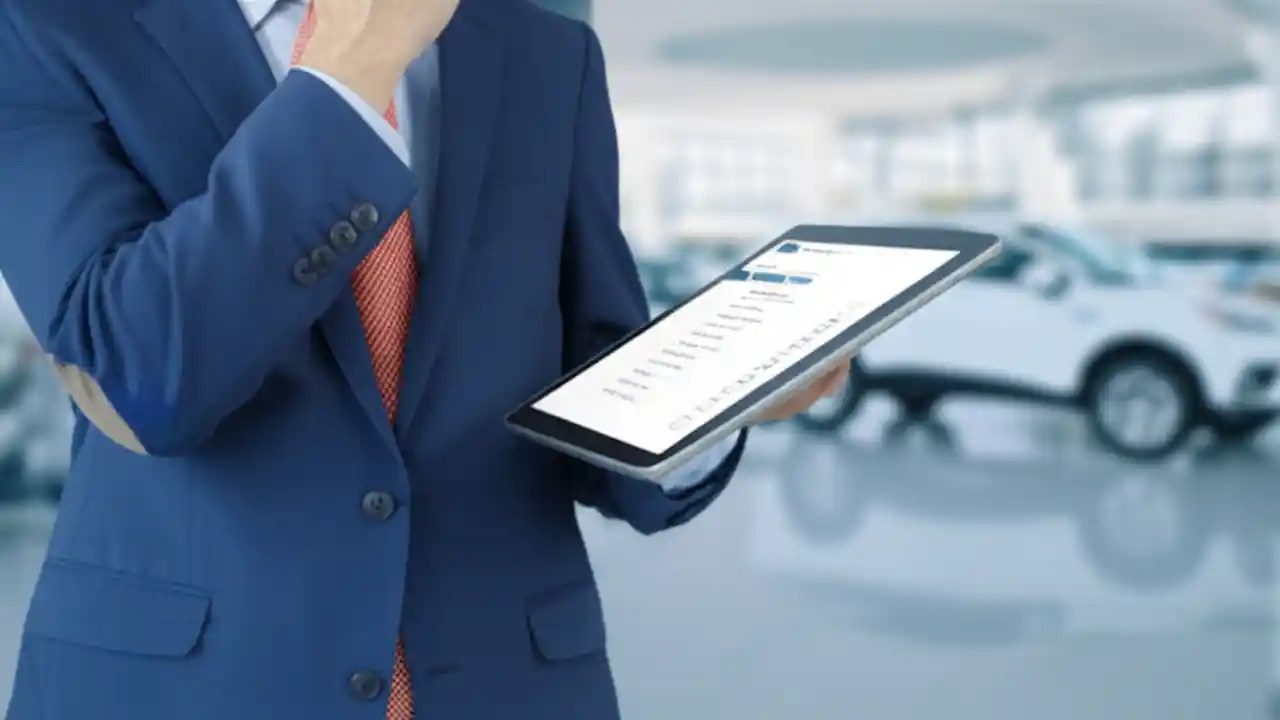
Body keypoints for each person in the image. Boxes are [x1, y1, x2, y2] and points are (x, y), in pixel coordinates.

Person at [0, 0, 849, 717]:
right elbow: (139, 370)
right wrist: (344, 83)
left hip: (509, 684)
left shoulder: (547, 53)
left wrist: (722, 397)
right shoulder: (47, 30)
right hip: (182, 683)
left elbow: (590, 399)